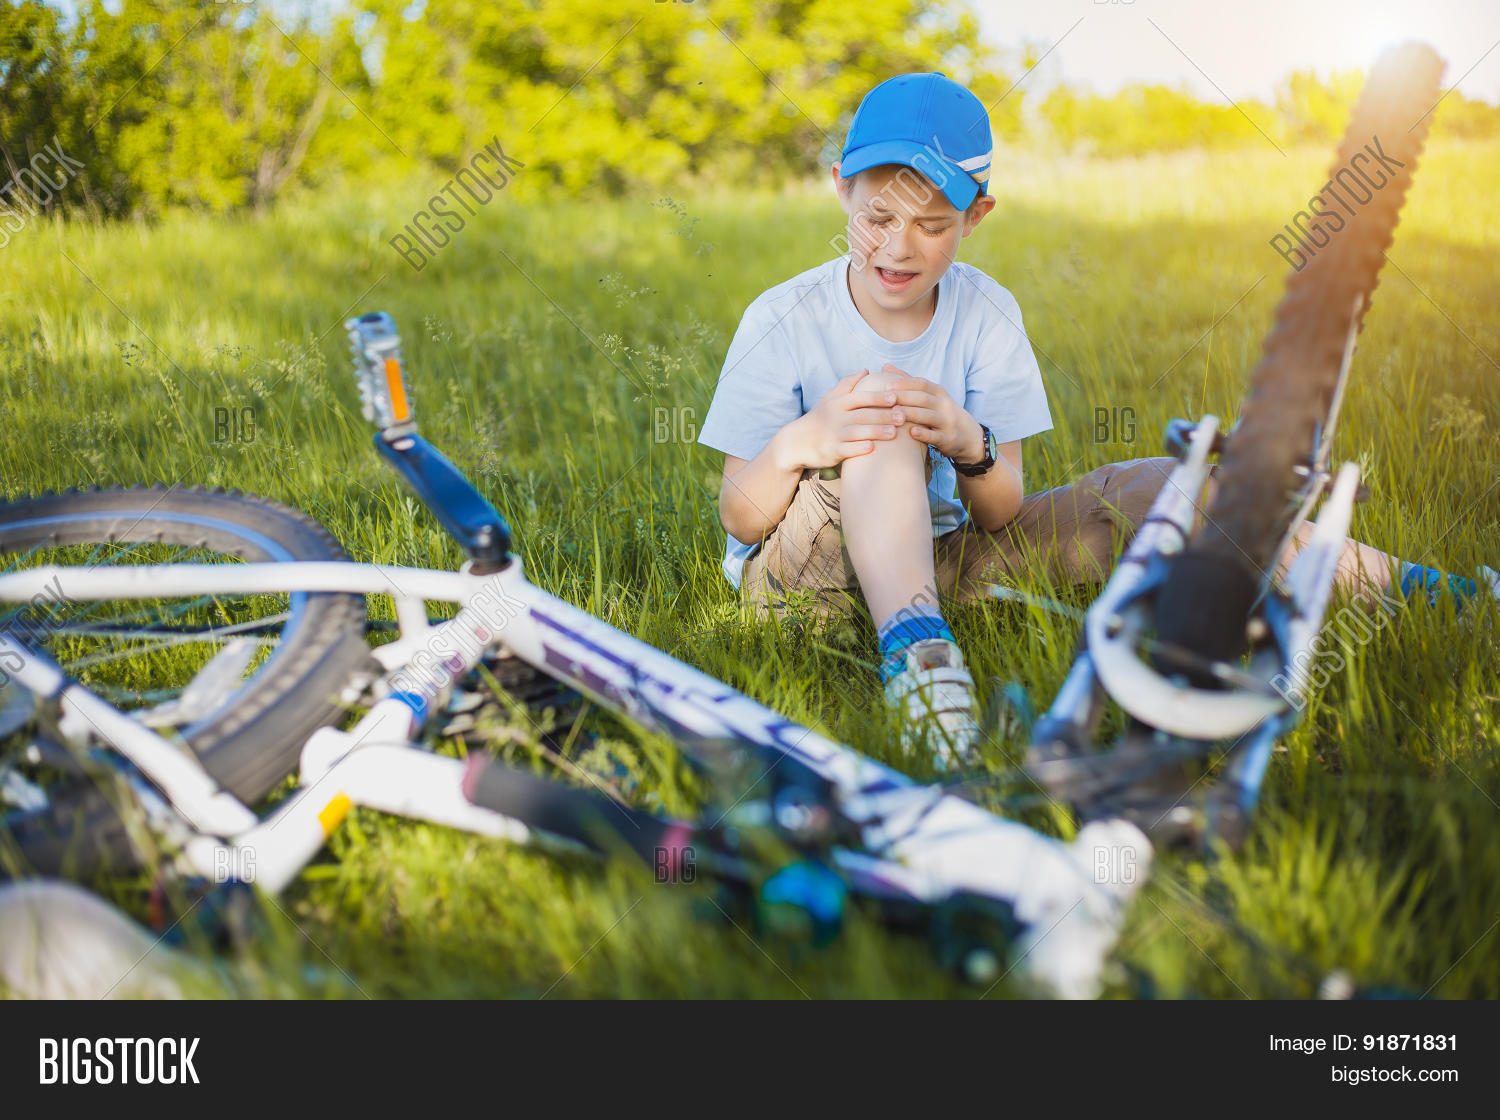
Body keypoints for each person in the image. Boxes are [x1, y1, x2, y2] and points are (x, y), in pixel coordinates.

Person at [696, 72, 1495, 767]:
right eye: (878, 217)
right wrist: (805, 440)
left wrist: (969, 442)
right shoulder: (783, 315)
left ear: (976, 217)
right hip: (805, 586)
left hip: (943, 562)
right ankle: (924, 671)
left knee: (1167, 486)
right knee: (887, 415)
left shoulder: (987, 313)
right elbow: (740, 513)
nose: (898, 246)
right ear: (841, 188)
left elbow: (1001, 508)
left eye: (932, 225)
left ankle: (1439, 595)